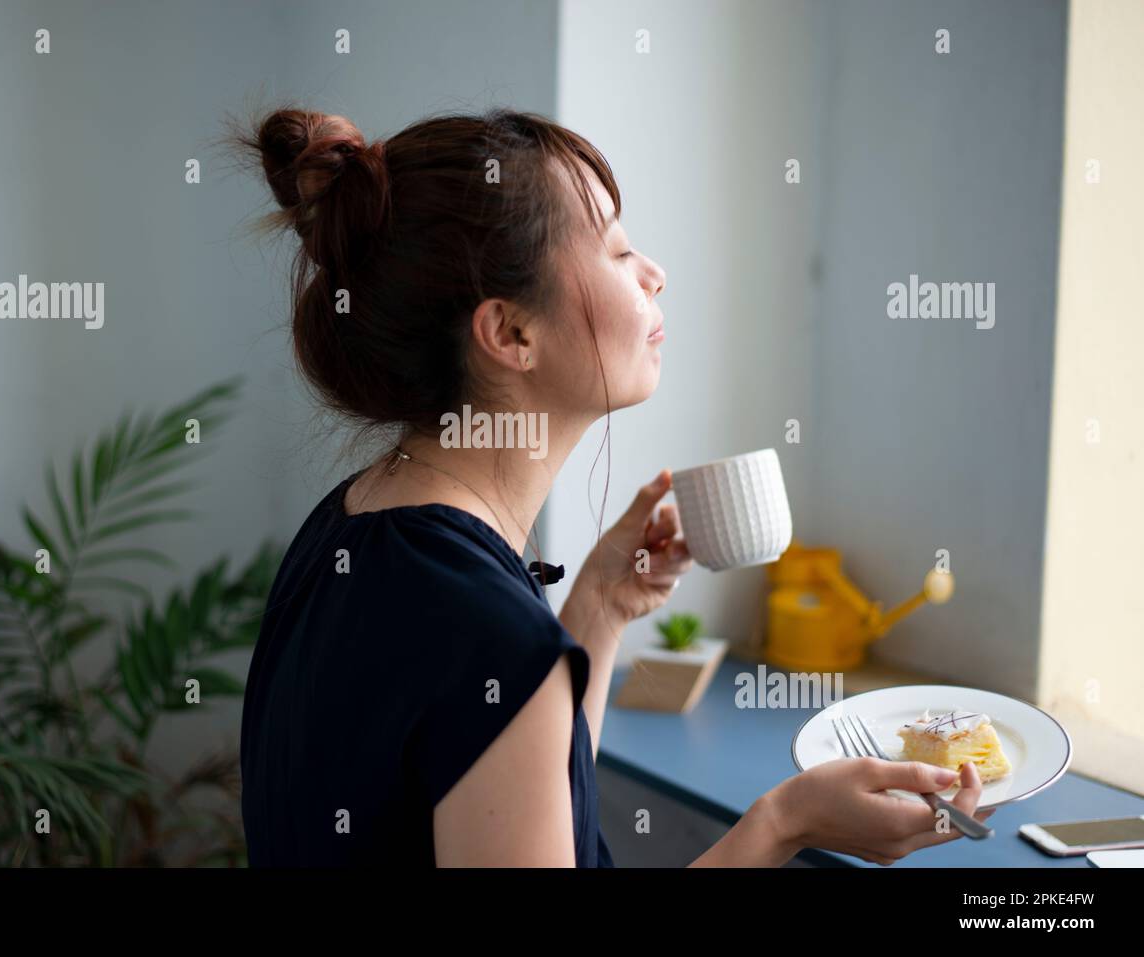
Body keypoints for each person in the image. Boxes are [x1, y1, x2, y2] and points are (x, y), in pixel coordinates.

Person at [233, 105, 993, 867]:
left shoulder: (345, 529)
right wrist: (782, 822)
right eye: (617, 249)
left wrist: (597, 605)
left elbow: (515, 785)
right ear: (510, 334)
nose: (654, 273)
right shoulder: (490, 632)